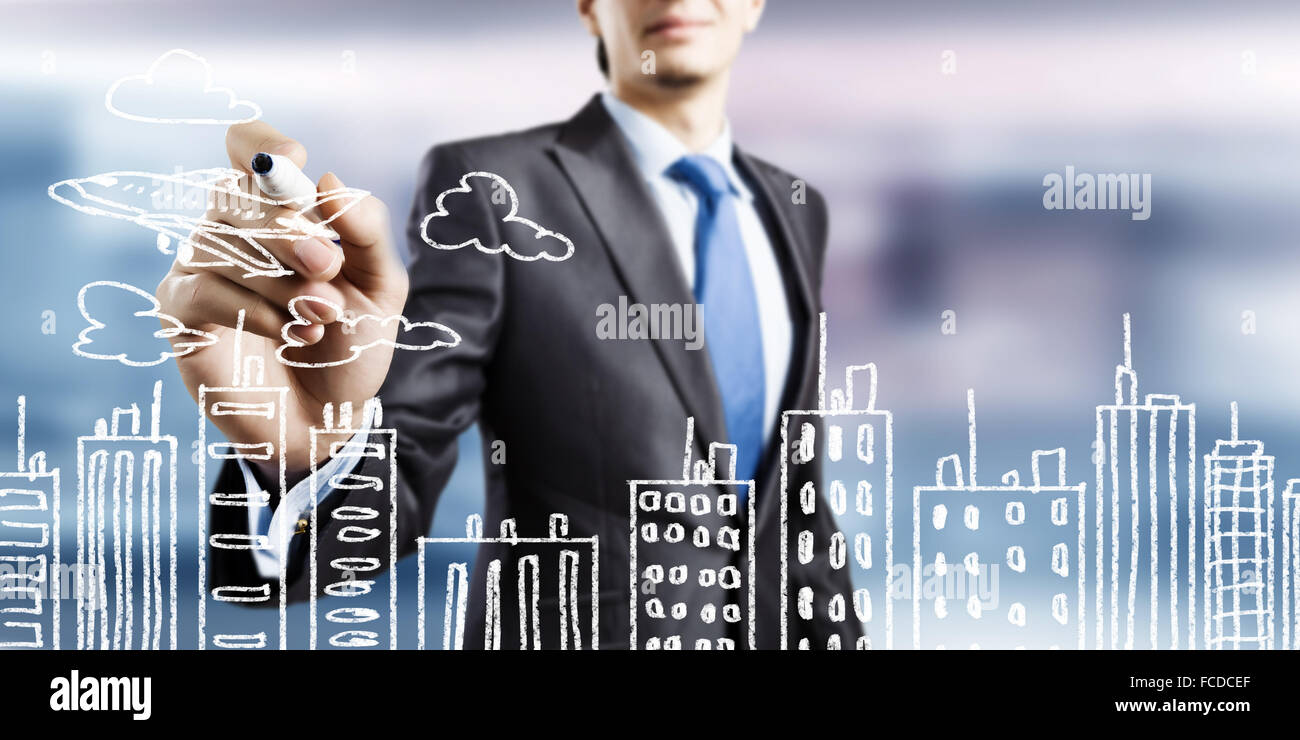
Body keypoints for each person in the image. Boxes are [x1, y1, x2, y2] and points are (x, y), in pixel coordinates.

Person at [156, 0, 859, 649]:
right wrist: (306, 453)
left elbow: (791, 501)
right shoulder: (493, 189)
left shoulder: (795, 210)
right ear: (589, 7)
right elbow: (409, 453)